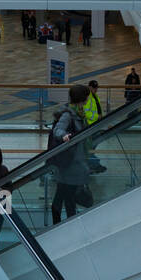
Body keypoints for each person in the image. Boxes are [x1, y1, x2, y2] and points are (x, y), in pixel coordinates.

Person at [49, 84, 91, 224]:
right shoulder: (69, 115)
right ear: (81, 98)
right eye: (86, 98)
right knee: (69, 199)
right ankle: (69, 226)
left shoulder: (78, 113)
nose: (86, 101)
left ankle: (58, 223)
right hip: (71, 166)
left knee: (62, 196)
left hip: (72, 164)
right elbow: (58, 130)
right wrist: (64, 136)